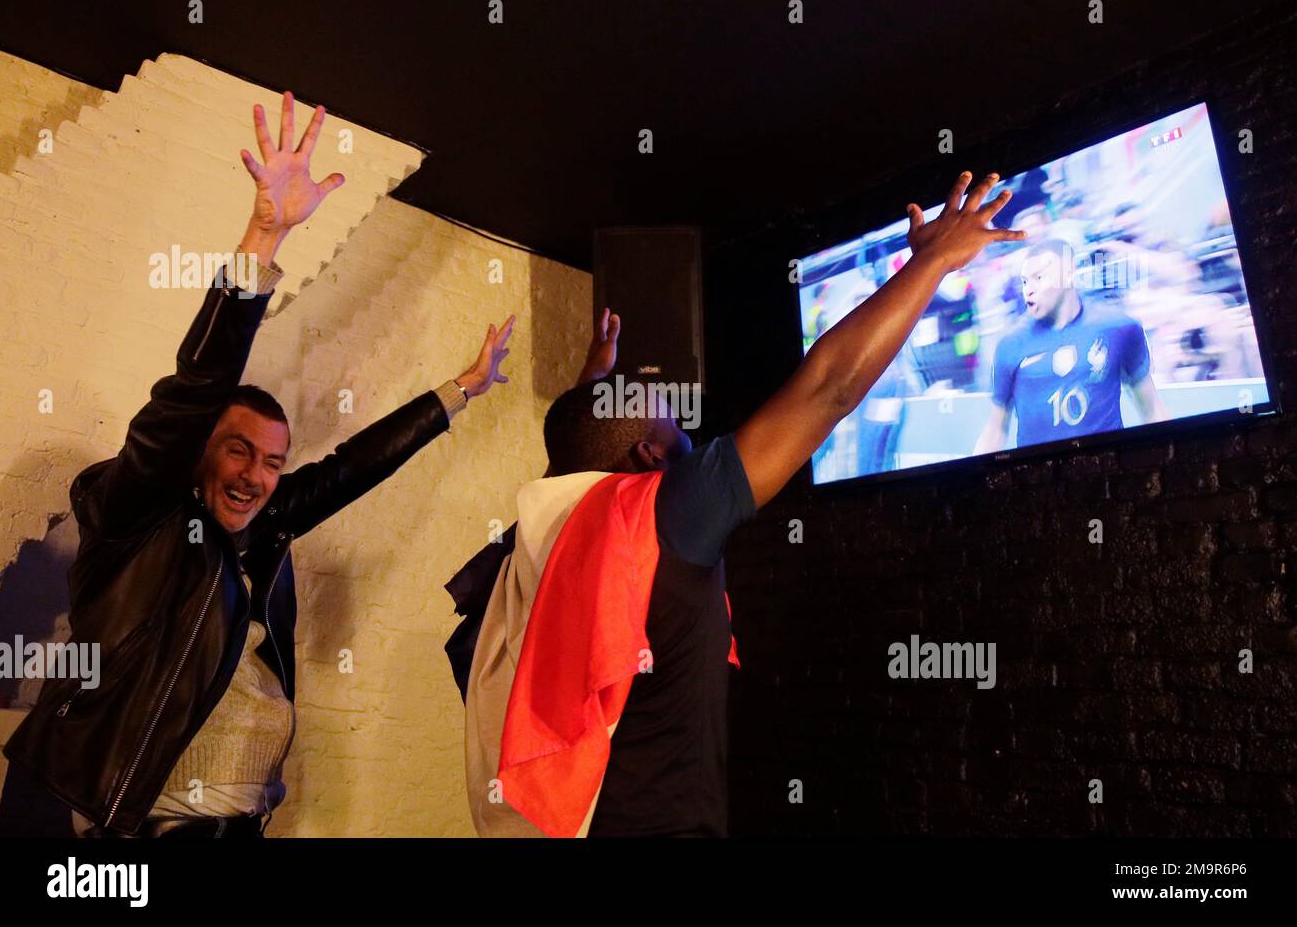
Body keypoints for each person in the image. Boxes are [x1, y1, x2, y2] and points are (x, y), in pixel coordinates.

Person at [1, 92, 513, 838]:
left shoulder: (261, 527)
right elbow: (191, 393)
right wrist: (263, 237)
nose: (254, 475)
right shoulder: (135, 516)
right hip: (101, 826)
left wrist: (460, 390)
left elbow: (351, 468)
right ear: (196, 453)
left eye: (272, 461)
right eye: (237, 450)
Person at [453, 171, 1025, 837]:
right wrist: (932, 260)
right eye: (674, 422)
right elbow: (828, 390)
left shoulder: (532, 543)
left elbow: (571, 464)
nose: (687, 431)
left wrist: (595, 388)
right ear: (649, 461)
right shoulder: (662, 514)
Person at [974, 237, 1167, 455]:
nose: (1028, 290)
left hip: (1108, 472)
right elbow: (996, 428)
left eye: (1039, 277)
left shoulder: (1119, 327)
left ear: (1069, 275)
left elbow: (1151, 409)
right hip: (1040, 480)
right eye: (1025, 281)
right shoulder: (1009, 345)